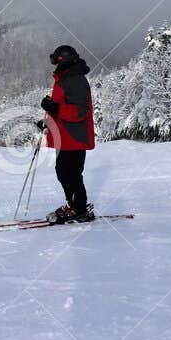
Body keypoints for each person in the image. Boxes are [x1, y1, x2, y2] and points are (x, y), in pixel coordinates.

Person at [41, 44, 95, 224]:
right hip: (66, 136)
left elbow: (80, 111)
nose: (54, 65)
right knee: (66, 172)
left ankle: (79, 209)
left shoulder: (76, 80)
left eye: (56, 61)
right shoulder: (66, 79)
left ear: (63, 61)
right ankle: (76, 206)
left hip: (74, 137)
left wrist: (55, 108)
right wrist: (48, 121)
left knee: (69, 173)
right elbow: (63, 107)